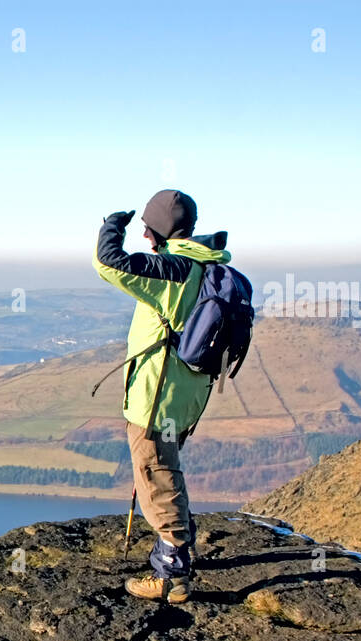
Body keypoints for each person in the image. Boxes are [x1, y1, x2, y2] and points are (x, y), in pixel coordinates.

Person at [92, 188, 232, 603]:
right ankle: (181, 546)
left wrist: (111, 226)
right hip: (187, 394)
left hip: (157, 396)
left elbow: (109, 264)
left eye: (148, 230)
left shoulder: (172, 270)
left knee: (155, 473)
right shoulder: (206, 265)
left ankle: (171, 572)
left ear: (155, 231)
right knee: (165, 468)